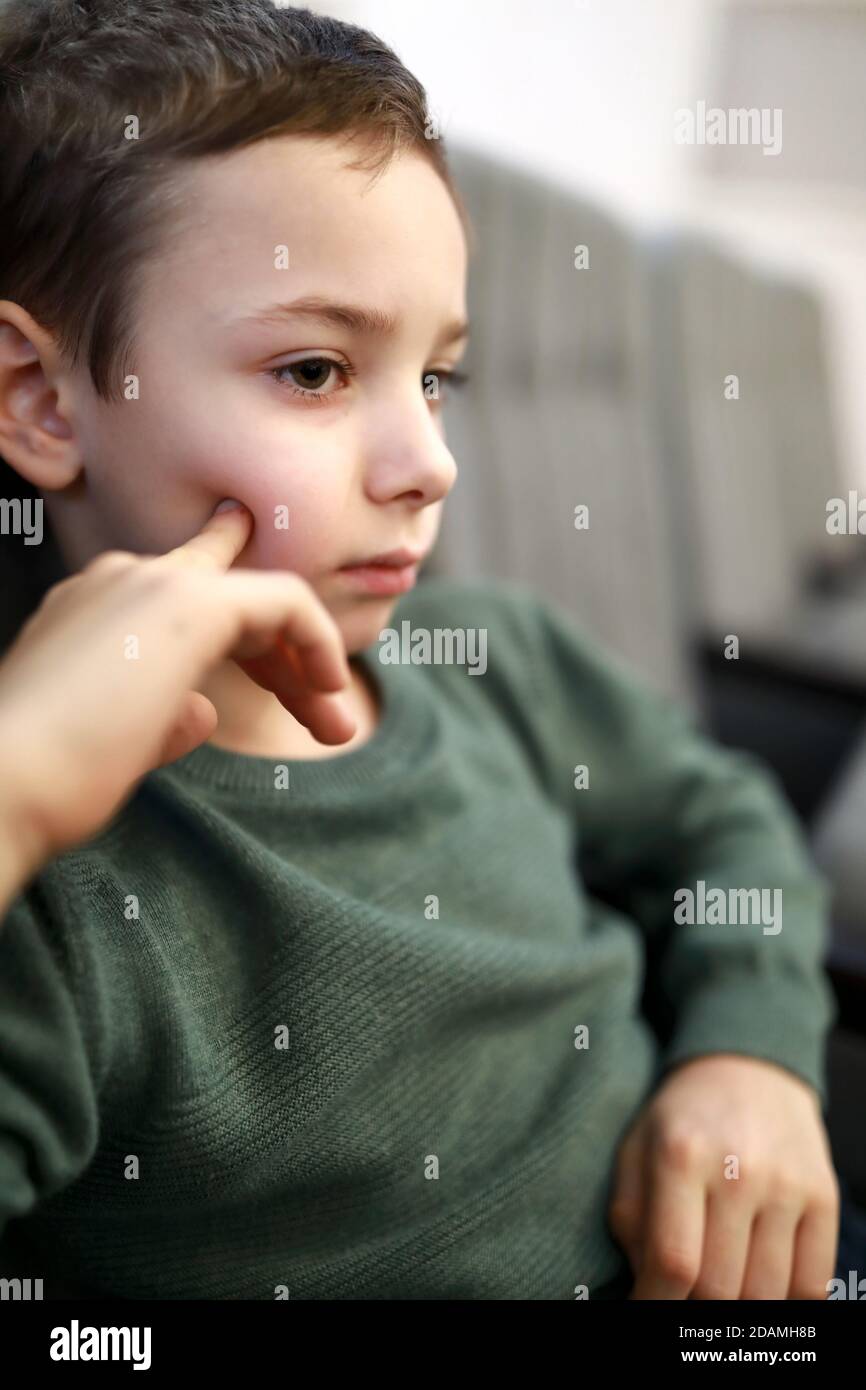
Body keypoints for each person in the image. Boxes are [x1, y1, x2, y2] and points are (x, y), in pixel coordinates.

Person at [0, 0, 846, 1300]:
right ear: (45, 402)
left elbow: (720, 823)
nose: (429, 465)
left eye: (436, 377)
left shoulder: (489, 653)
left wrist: (750, 1051)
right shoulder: (52, 900)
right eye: (315, 371)